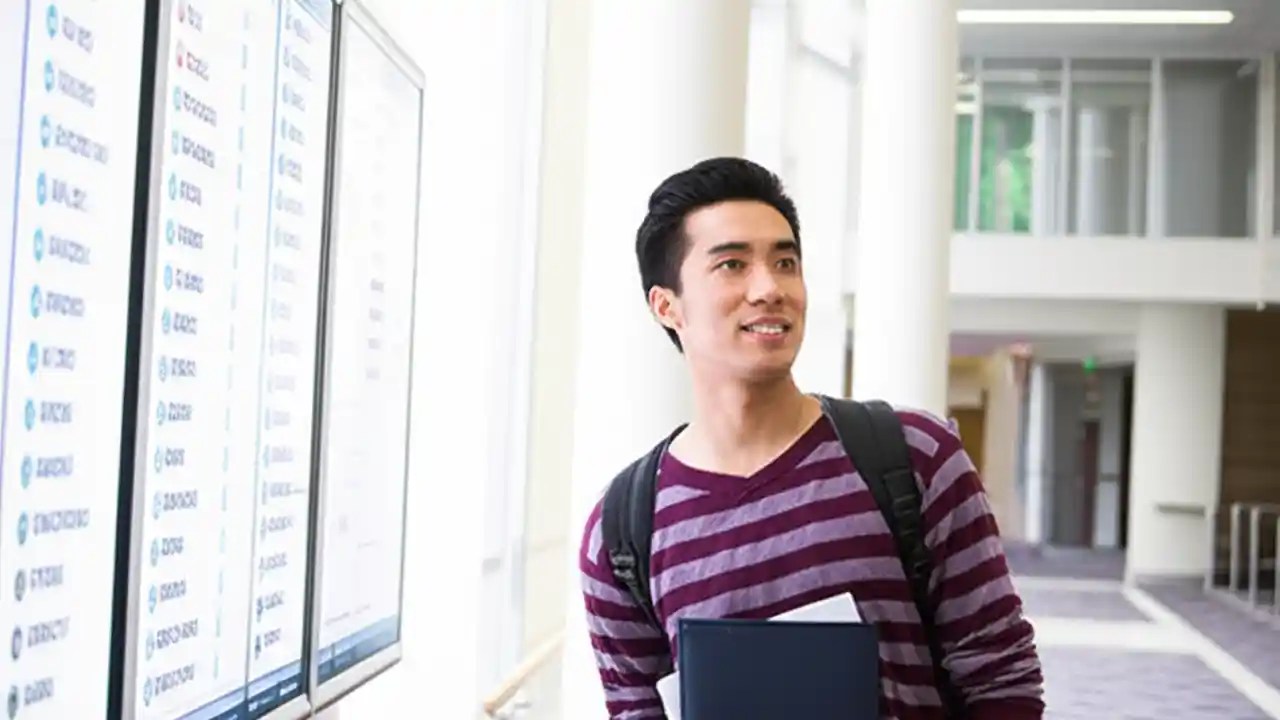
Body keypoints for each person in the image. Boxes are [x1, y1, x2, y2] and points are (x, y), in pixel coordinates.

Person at [577, 157, 1044, 719]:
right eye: (732, 264)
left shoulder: (915, 458)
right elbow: (636, 711)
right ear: (667, 305)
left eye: (785, 261)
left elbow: (1002, 681)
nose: (769, 287)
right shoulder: (622, 532)